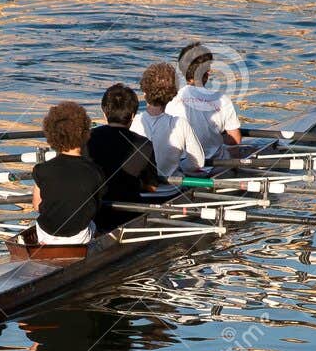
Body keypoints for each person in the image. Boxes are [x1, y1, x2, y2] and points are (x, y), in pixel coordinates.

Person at [85, 83, 159, 232]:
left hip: (94, 215)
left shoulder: (86, 139)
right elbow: (152, 187)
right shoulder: (145, 144)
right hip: (129, 215)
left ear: (104, 112)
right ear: (132, 115)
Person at [30, 102, 104, 245]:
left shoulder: (41, 169)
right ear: (86, 134)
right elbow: (96, 206)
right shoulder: (95, 171)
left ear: (52, 136)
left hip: (45, 234)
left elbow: (36, 205)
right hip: (79, 237)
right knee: (97, 224)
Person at [167, 40, 241, 160]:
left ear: (182, 70)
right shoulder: (223, 100)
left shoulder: (170, 101)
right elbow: (235, 139)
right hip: (215, 166)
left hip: (181, 166)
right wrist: (217, 135)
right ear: (207, 73)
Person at [131, 61, 206, 177]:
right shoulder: (180, 123)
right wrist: (179, 166)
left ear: (144, 93)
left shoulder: (133, 122)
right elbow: (198, 162)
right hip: (171, 188)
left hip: (141, 192)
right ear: (172, 95)